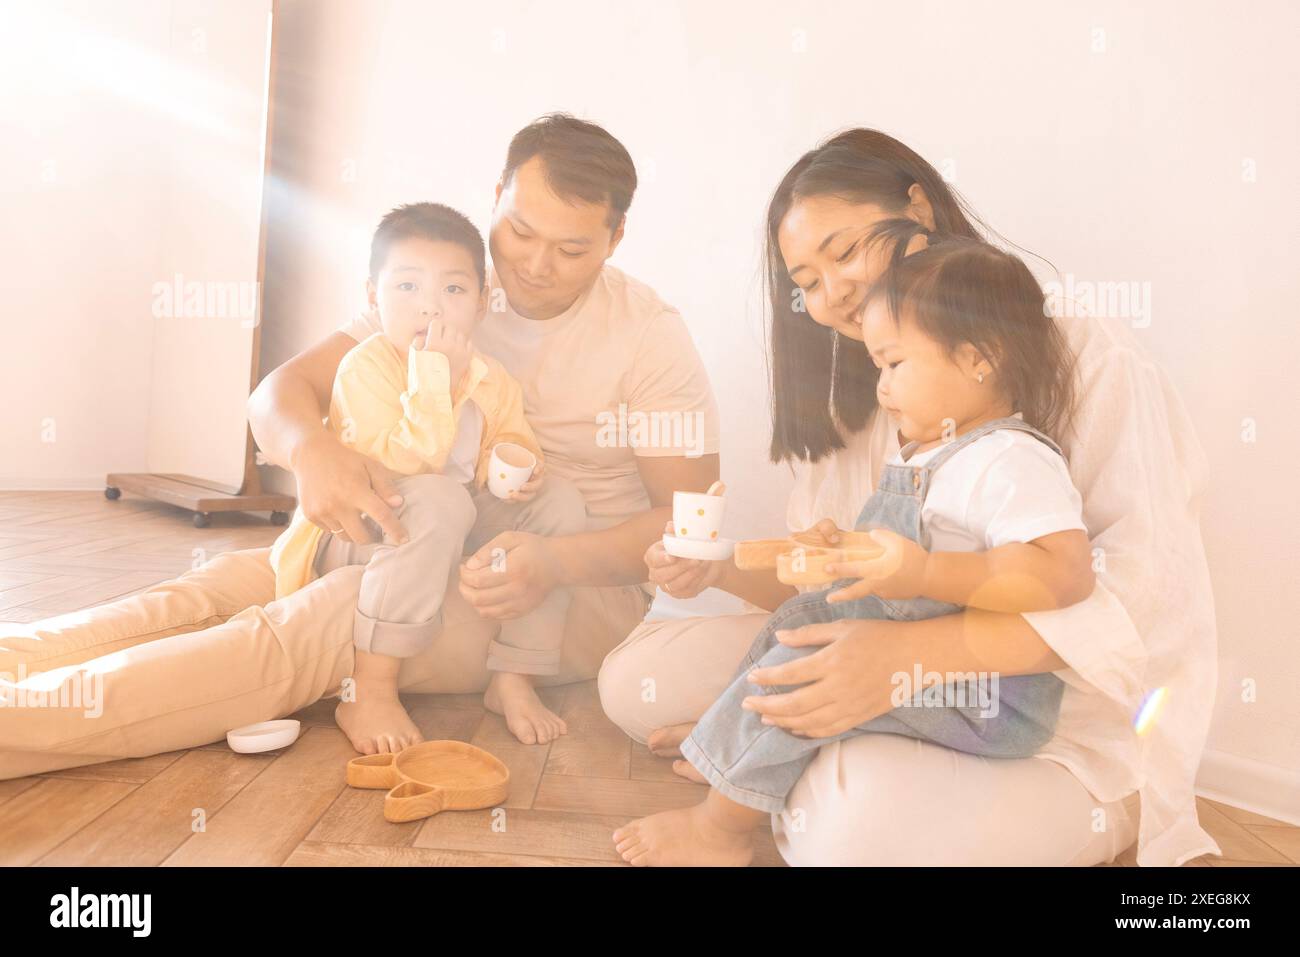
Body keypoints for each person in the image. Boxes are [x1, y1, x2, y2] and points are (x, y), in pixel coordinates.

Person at [0, 114, 719, 774]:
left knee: (324, 617)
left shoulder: (647, 334)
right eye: (520, 232)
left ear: (616, 239)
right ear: (495, 194)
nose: (534, 265)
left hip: (566, 589)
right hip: (415, 537)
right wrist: (313, 452)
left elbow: (685, 523)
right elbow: (277, 396)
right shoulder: (447, 282)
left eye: (571, 249)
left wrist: (556, 560)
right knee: (228, 583)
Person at [600, 129, 1220, 867]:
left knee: (848, 826)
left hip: (1043, 716)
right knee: (636, 686)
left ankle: (766, 778)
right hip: (896, 657)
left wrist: (907, 654)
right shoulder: (884, 383)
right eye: (806, 278)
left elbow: (1136, 596)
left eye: (844, 251)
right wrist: (716, 567)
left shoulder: (1083, 357)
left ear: (918, 207)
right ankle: (764, 754)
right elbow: (830, 582)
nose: (831, 294)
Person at [616, 232, 1097, 865]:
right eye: (877, 368)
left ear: (981, 359)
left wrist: (923, 569)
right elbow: (887, 566)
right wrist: (842, 550)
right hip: (937, 673)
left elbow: (1063, 574)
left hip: (986, 694)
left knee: (802, 671)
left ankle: (720, 831)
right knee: (798, 626)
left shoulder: (1011, 459)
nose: (883, 388)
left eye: (895, 365)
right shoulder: (933, 456)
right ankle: (728, 748)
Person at [271, 202, 585, 751]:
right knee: (439, 498)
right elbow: (400, 471)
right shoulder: (366, 367)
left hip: (446, 527)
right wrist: (433, 376)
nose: (431, 308)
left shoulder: (490, 377)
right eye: (409, 287)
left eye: (454, 291)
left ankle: (515, 676)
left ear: (483, 302)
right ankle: (369, 689)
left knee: (558, 502)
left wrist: (516, 467)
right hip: (363, 531)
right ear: (373, 295)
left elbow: (510, 439)